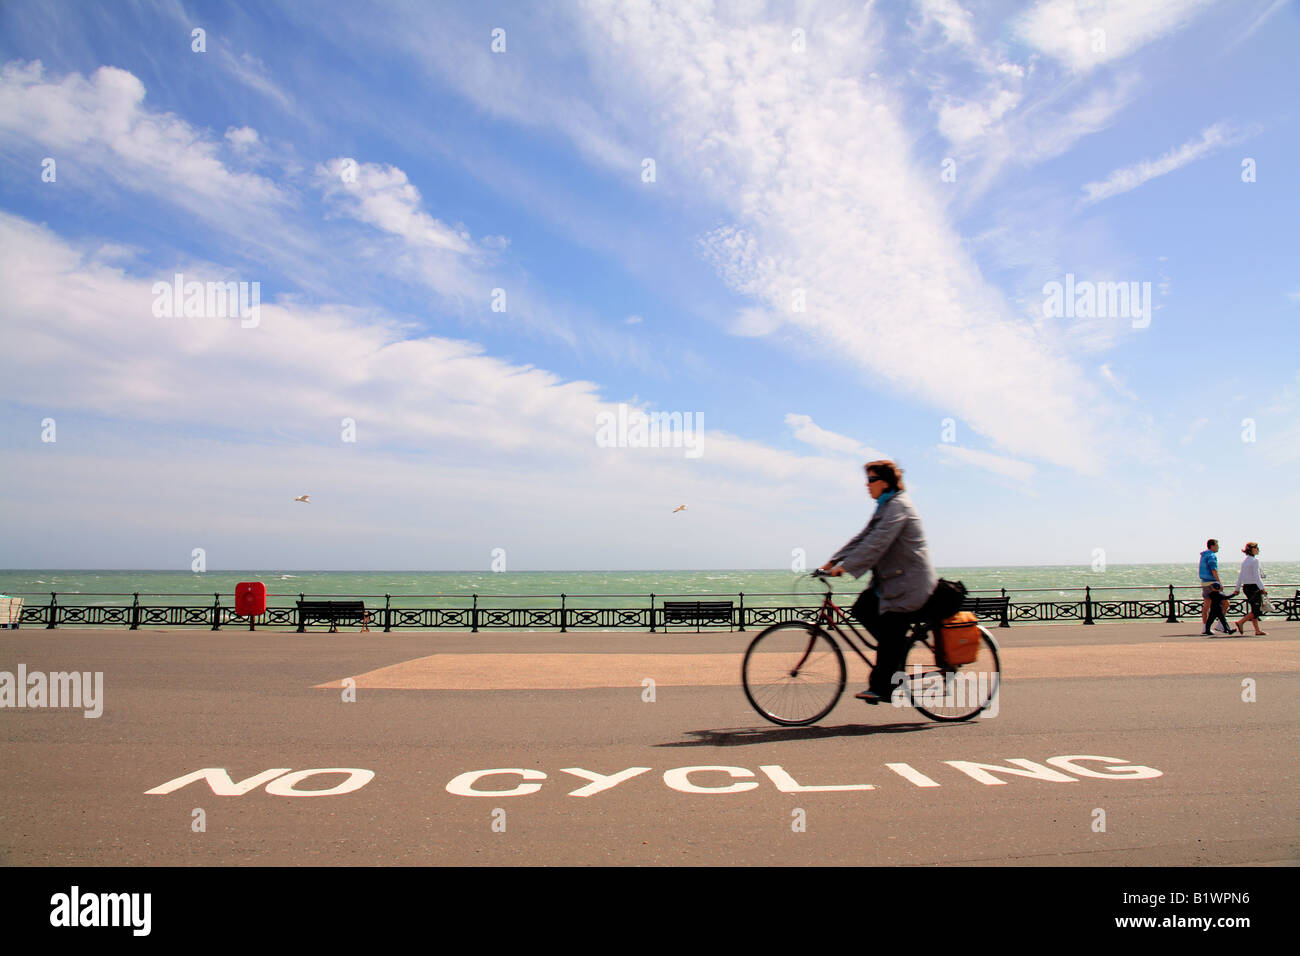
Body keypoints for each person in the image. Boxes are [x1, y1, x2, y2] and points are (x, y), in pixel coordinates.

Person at [820, 460, 936, 704]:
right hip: (892, 583)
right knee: (862, 608)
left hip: (909, 586)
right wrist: (831, 563)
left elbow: (877, 543)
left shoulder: (899, 507)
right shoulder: (885, 507)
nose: (867, 484)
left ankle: (885, 687)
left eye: (871, 480)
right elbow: (863, 538)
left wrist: (845, 568)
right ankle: (897, 651)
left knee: (891, 631)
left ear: (885, 483)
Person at [1234, 542, 1267, 636]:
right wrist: (1262, 588)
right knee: (1257, 610)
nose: (1258, 550)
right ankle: (1241, 622)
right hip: (1253, 588)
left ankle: (1257, 630)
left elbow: (1240, 576)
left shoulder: (1245, 561)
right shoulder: (1254, 561)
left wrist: (1237, 588)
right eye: (1256, 548)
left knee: (1254, 609)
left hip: (1246, 587)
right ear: (1252, 549)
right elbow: (1257, 577)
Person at [1198, 539, 1226, 633]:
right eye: (1217, 545)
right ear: (1212, 546)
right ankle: (1220, 624)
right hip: (1212, 583)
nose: (1218, 547)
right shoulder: (1211, 555)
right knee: (1225, 603)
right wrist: (1219, 582)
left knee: (1206, 605)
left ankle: (1205, 627)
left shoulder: (1203, 555)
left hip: (1204, 582)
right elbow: (1213, 569)